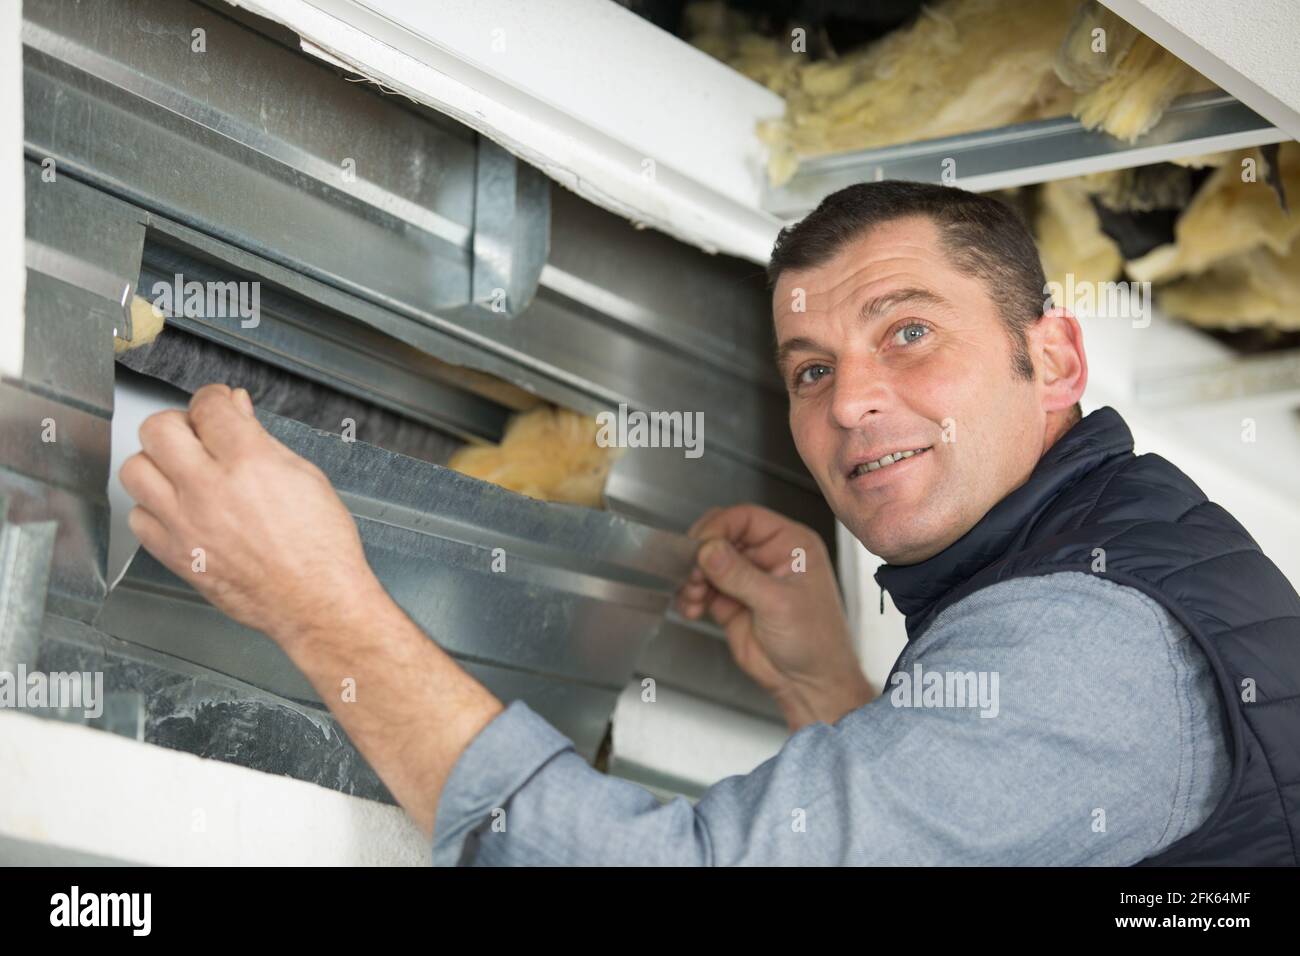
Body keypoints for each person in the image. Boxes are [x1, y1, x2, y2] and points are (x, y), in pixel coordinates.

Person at [119, 181, 1300, 865]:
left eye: (907, 332)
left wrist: (320, 604)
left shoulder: (1093, 646)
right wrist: (832, 689)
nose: (851, 402)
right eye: (807, 368)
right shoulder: (1099, 569)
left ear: (1050, 356)